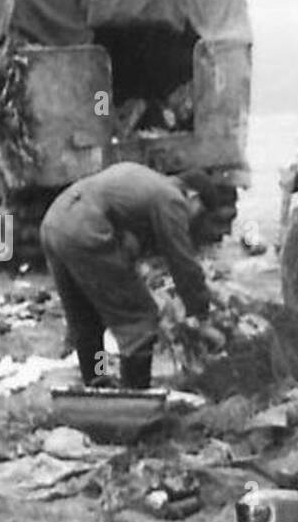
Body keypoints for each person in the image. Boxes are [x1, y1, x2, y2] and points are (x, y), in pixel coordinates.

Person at [40, 163, 211, 389]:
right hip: (85, 228)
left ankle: (97, 381)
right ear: (193, 197)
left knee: (88, 321)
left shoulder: (144, 183)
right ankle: (135, 391)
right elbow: (181, 259)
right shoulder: (171, 198)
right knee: (140, 321)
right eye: (200, 212)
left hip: (54, 223)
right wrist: (200, 311)